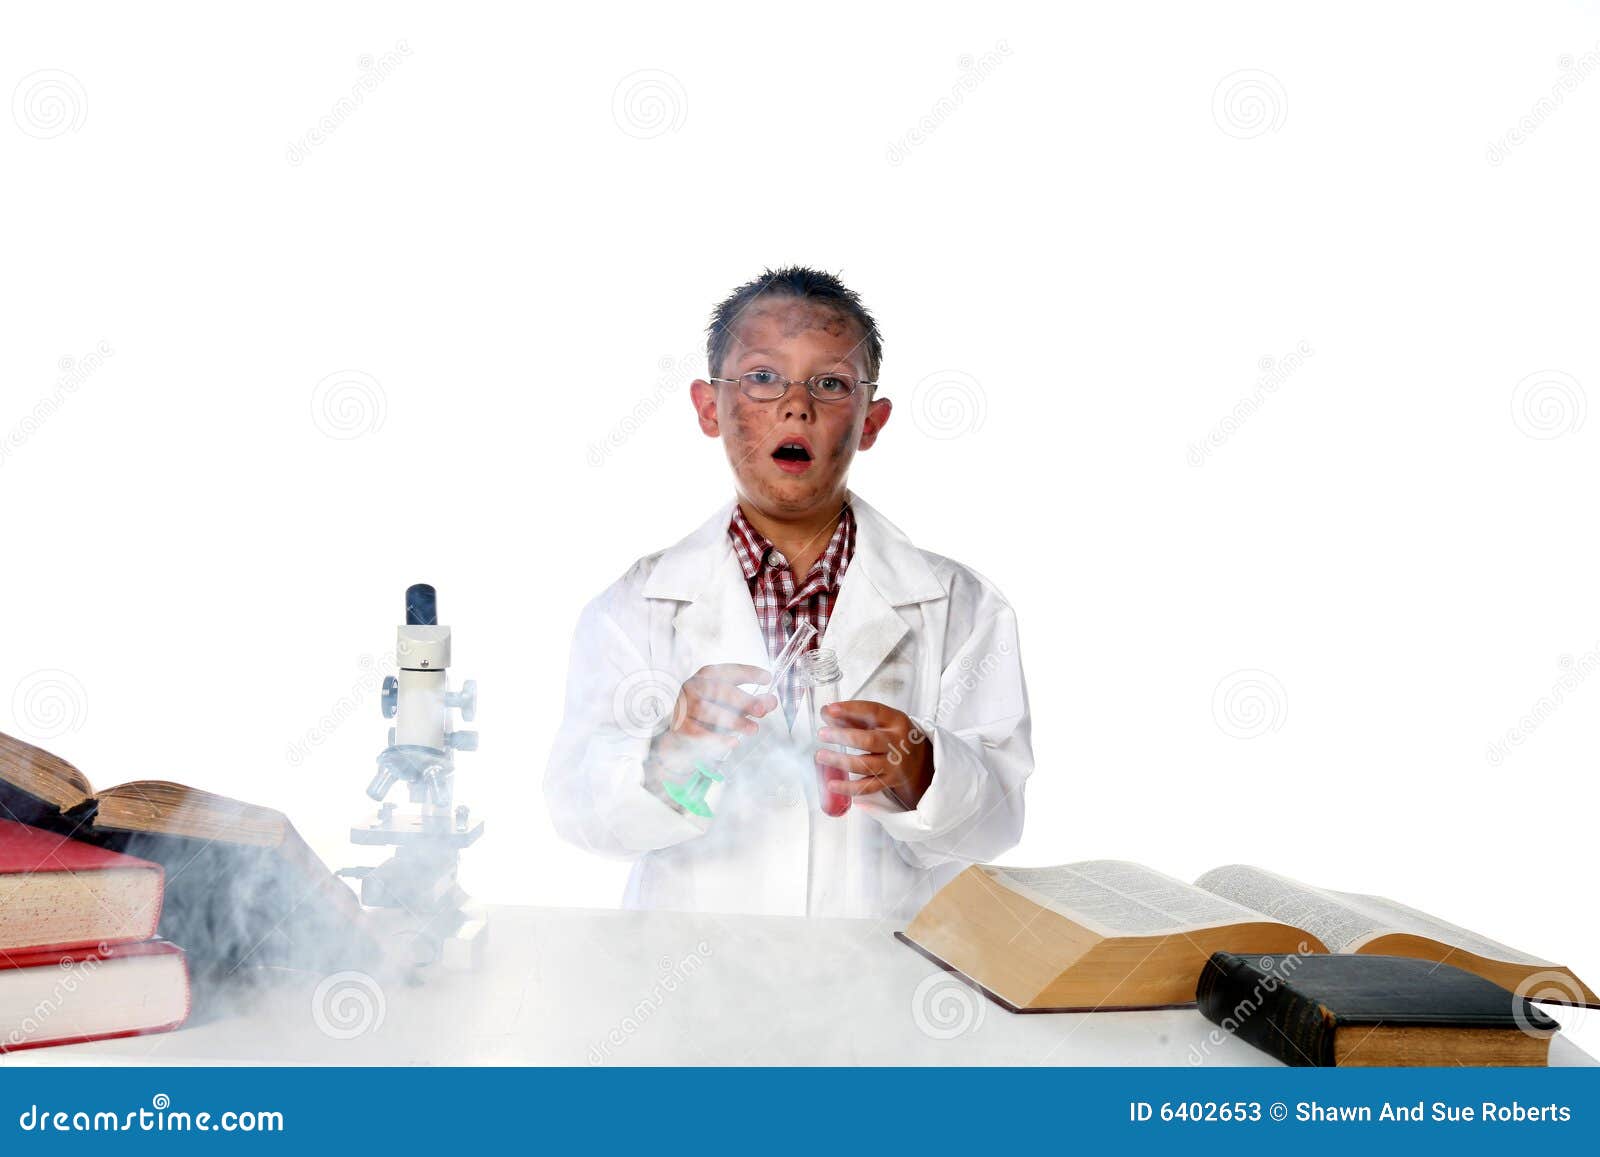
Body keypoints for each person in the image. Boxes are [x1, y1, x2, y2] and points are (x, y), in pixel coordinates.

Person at [545, 267, 1032, 920]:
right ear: (707, 406)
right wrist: (667, 753)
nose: (796, 405)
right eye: (763, 378)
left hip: (883, 985)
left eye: (830, 383)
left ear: (871, 419)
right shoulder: (635, 607)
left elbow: (1000, 820)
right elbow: (579, 811)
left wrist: (928, 773)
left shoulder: (961, 605)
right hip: (685, 985)